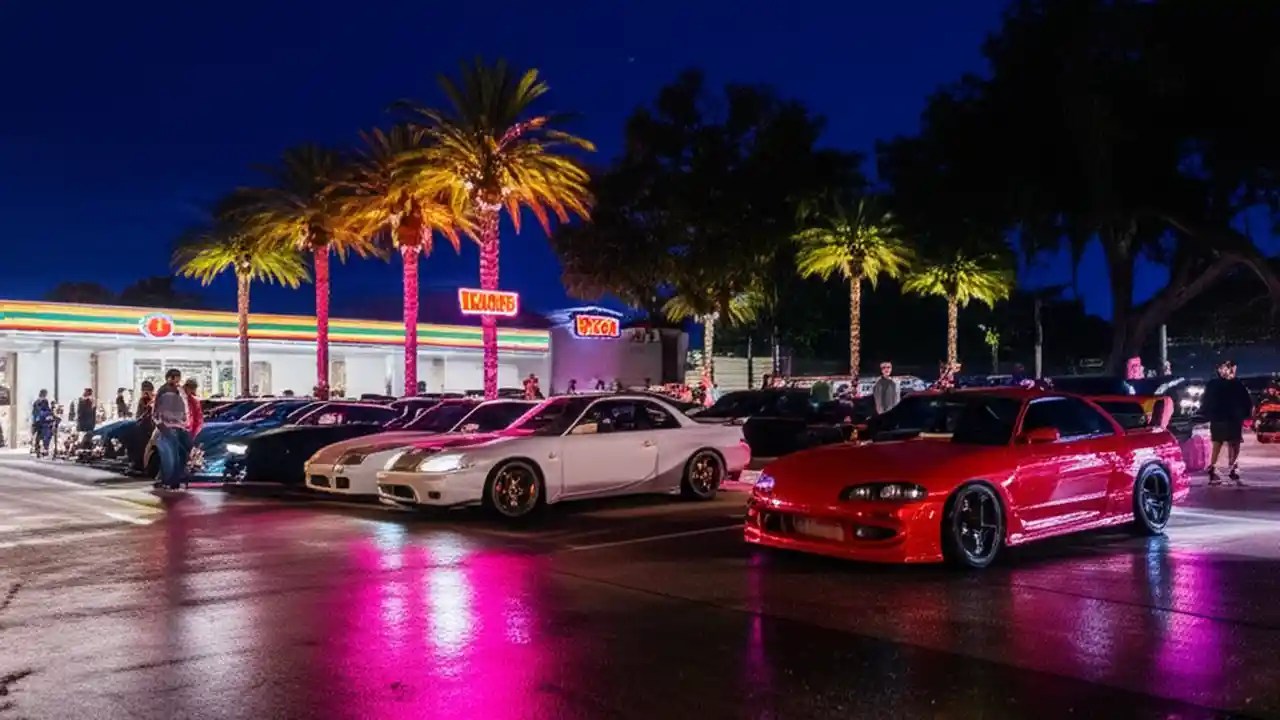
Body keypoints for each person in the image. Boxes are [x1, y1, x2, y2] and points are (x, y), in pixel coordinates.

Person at [1201, 359, 1252, 486]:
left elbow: (1206, 401)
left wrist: (1207, 413)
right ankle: (1229, 468)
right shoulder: (1233, 384)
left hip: (1223, 417)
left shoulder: (1216, 384)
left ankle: (1219, 468)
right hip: (1229, 417)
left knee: (1223, 443)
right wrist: (1247, 414)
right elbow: (1246, 401)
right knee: (1230, 443)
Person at [152, 369, 191, 489]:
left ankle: (170, 481)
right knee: (173, 456)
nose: (178, 380)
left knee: (171, 455)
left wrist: (160, 424)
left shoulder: (169, 391)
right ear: (170, 378)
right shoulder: (172, 391)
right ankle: (172, 482)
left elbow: (156, 411)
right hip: (173, 427)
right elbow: (185, 410)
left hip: (171, 427)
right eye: (176, 377)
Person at [128, 382, 155, 472]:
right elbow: (139, 414)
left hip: (151, 428)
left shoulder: (154, 400)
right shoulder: (142, 400)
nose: (146, 394)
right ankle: (138, 463)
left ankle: (143, 465)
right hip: (142, 427)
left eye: (147, 391)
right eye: (144, 391)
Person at [30, 390, 54, 456]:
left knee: (39, 436)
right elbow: (46, 410)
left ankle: (38, 449)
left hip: (39, 422)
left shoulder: (37, 402)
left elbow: (34, 412)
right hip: (42, 422)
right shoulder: (42, 401)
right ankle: (42, 449)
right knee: (43, 436)